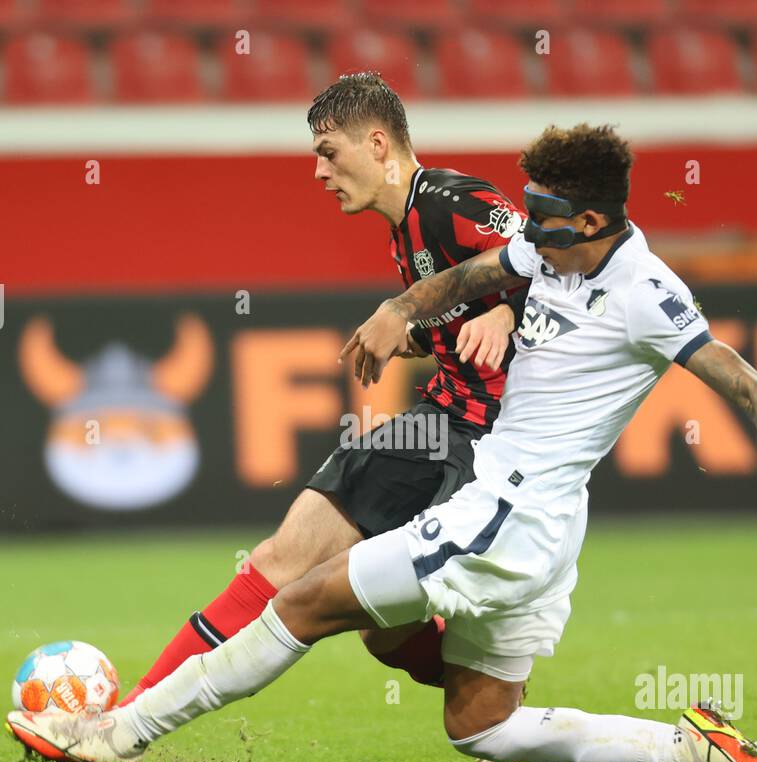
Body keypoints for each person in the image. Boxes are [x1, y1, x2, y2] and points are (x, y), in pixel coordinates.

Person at [8, 124, 757, 762]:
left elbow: (747, 383)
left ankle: (118, 732)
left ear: (591, 219)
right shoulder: (551, 248)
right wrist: (403, 310)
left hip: (508, 515)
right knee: (482, 725)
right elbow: (478, 275)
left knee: (302, 600)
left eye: (543, 212)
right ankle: (688, 745)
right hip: (539, 523)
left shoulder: (646, 292)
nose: (526, 225)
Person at [117, 72, 527, 704]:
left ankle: (126, 716)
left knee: (328, 591)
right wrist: (422, 339)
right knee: (346, 604)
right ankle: (127, 712)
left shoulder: (453, 201)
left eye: (328, 153)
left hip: (492, 443)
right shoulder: (406, 227)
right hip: (441, 421)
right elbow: (468, 309)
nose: (319, 172)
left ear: (378, 143)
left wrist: (508, 314)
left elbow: (563, 264)